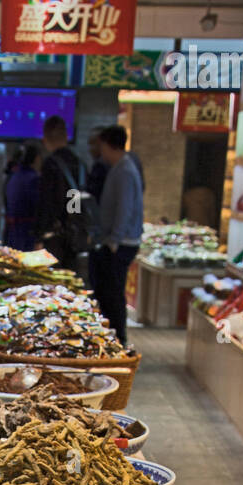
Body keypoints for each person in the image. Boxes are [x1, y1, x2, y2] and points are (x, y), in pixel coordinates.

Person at [91, 124, 143, 346]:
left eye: (101, 146)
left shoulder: (124, 170)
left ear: (109, 145)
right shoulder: (120, 167)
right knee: (109, 293)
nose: (100, 151)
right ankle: (113, 337)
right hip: (118, 241)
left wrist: (114, 241)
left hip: (121, 244)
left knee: (113, 293)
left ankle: (118, 339)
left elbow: (125, 209)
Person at [34, 115, 87, 271]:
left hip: (55, 237)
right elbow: (77, 199)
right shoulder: (81, 163)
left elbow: (46, 202)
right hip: (76, 235)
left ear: (46, 138)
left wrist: (40, 236)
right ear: (66, 136)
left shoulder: (51, 164)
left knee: (51, 283)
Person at [4, 143, 41, 252]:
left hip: (12, 232)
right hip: (27, 233)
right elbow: (38, 206)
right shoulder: (34, 179)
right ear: (36, 158)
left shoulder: (12, 176)